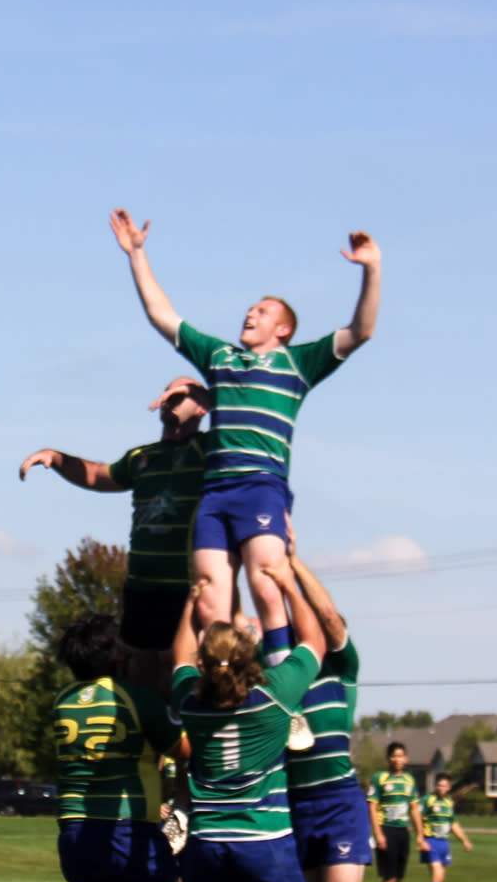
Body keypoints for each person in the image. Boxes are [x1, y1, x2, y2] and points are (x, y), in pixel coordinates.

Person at [109, 208, 380, 665]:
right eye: (251, 308)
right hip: (215, 495)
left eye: (263, 311)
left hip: (261, 487)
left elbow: (362, 331)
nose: (251, 313)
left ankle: (279, 693)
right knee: (211, 596)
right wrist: (137, 254)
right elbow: (162, 315)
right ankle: (216, 689)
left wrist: (370, 269)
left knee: (267, 582)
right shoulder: (219, 356)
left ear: (284, 329)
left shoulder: (299, 363)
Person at [168, 565, 325, 882]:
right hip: (265, 840)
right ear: (249, 657)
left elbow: (178, 658)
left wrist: (189, 609)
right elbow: (316, 639)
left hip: (209, 842)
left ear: (205, 661)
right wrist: (284, 584)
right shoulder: (277, 692)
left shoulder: (190, 700)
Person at [19, 377, 211, 688]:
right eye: (167, 394)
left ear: (203, 406)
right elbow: (96, 475)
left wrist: (212, 395)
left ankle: (179, 733)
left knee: (179, 673)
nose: (169, 400)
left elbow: (239, 427)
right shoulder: (141, 458)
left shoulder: (209, 450)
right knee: (135, 676)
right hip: (140, 588)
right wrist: (55, 458)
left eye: (180, 396)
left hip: (184, 588)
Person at [48, 614, 183, 882]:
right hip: (126, 829)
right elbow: (182, 749)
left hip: (73, 833)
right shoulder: (135, 698)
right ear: (111, 654)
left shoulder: (63, 700)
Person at [280, 550, 374, 882]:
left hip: (339, 805)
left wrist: (289, 567)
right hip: (296, 808)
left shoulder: (341, 666)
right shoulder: (284, 678)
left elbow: (332, 620)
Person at [368, 743, 417, 882]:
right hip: (386, 829)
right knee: (388, 876)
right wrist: (378, 833)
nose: (398, 760)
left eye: (401, 756)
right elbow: (372, 807)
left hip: (402, 831)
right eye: (394, 756)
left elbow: (414, 808)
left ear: (406, 759)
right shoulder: (380, 778)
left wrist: (419, 834)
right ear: (389, 758)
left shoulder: (409, 781)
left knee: (399, 877)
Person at [419, 773, 474, 882]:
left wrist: (464, 840)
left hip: (444, 842)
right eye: (438, 785)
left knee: (440, 877)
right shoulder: (427, 800)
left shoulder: (449, 803)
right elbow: (417, 818)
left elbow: (453, 823)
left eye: (444, 786)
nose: (441, 788)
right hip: (431, 840)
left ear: (449, 788)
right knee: (437, 874)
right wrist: (420, 838)